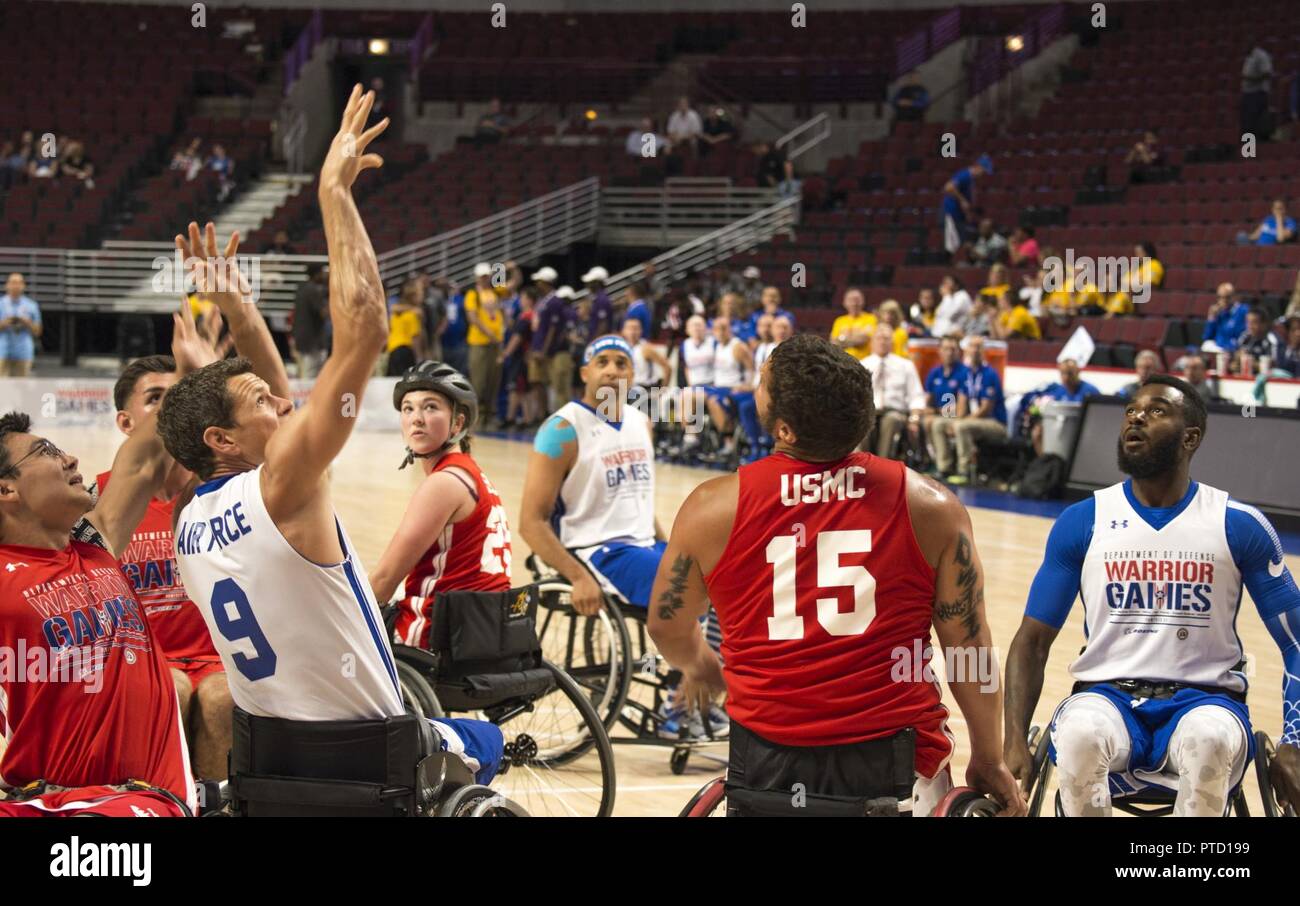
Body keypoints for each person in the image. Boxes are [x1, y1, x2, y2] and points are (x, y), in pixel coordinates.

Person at [157, 86, 502, 785]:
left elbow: (274, 400)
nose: (285, 406)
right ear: (223, 439)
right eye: (263, 403)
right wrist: (333, 193)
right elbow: (367, 327)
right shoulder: (284, 487)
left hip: (274, 760)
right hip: (371, 751)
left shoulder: (190, 519)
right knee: (489, 739)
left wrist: (241, 312)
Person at [646, 333, 1025, 816]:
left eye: (762, 382)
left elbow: (666, 625)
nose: (755, 387)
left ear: (784, 429)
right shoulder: (932, 506)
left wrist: (702, 667)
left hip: (764, 760)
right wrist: (989, 756)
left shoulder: (710, 508)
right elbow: (968, 647)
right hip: (895, 759)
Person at [1004, 375, 1300, 816]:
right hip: (1106, 696)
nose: (1136, 417)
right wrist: (1012, 742)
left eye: (1157, 410)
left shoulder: (1238, 523)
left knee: (1209, 740)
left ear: (1190, 438)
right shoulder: (1083, 521)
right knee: (1080, 734)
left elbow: (1296, 642)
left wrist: (1295, 742)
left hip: (1207, 702)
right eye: (1131, 411)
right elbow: (1031, 641)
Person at [0, 294, 213, 817]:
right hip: (45, 798)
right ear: (6, 490)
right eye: (46, 452)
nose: (70, 456)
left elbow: (142, 459)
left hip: (144, 800)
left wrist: (190, 374)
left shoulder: (94, 542)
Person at [518, 335, 724, 737]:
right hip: (596, 550)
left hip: (642, 544)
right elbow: (531, 522)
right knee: (685, 588)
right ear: (584, 373)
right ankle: (681, 709)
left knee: (726, 574)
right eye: (602, 362)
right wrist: (578, 576)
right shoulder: (560, 430)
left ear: (633, 374)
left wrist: (676, 544)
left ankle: (692, 692)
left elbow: (640, 505)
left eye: (622, 363)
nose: (612, 370)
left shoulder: (639, 420)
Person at [371, 362, 511, 648]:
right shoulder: (471, 474)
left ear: (457, 424)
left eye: (431, 407)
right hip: (486, 629)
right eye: (408, 408)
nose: (416, 418)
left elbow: (385, 578)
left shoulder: (443, 483)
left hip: (440, 635)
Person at [948, 336, 1007, 485]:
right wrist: (954, 419)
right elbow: (961, 402)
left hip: (995, 423)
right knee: (940, 423)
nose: (975, 350)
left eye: (978, 347)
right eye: (972, 346)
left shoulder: (990, 374)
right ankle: (944, 467)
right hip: (974, 420)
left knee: (961, 426)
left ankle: (964, 471)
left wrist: (961, 422)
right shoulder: (966, 373)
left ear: (984, 351)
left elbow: (986, 408)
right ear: (966, 350)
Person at [860, 325, 926, 459]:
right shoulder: (862, 364)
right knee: (862, 423)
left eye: (886, 338)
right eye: (879, 338)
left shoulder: (906, 365)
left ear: (892, 342)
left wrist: (914, 419)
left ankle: (883, 464)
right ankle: (864, 463)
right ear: (872, 342)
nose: (882, 342)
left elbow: (916, 396)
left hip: (896, 412)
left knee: (891, 420)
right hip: (870, 411)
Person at [704, 316, 757, 461]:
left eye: (724, 329)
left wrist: (746, 386)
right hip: (717, 386)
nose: (720, 332)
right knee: (690, 396)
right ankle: (692, 438)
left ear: (730, 329)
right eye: (717, 329)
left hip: (733, 387)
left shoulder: (738, 346)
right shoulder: (716, 345)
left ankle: (728, 442)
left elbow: (751, 369)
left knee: (713, 401)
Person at [1024, 359, 1100, 456]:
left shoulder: (1090, 392)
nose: (1066, 377)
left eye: (1070, 373)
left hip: (1082, 431)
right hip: (1058, 428)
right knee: (1037, 433)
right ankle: (1047, 463)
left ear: (1078, 372)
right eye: (1063, 373)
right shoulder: (1057, 390)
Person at [923, 335, 971, 479]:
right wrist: (924, 411)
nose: (949, 352)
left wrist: (936, 411)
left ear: (959, 352)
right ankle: (930, 460)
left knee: (936, 423)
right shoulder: (934, 372)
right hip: (942, 413)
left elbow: (961, 409)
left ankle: (944, 467)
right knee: (923, 421)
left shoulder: (965, 373)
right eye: (945, 349)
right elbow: (927, 400)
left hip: (958, 415)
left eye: (953, 349)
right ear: (939, 351)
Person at [465, 262, 505, 427]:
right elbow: (473, 318)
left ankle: (489, 416)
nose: (485, 278)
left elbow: (509, 283)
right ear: (476, 277)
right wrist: (490, 334)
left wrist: (505, 268)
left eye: (487, 275)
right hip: (479, 343)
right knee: (478, 382)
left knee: (493, 381)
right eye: (482, 276)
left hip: (495, 344)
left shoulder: (495, 292)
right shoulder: (472, 294)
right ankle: (477, 418)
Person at [942, 154, 992, 258]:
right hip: (951, 213)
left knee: (961, 240)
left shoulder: (971, 180)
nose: (983, 175)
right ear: (978, 167)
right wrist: (962, 200)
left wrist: (968, 212)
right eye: (983, 171)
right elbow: (948, 187)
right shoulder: (965, 175)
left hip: (959, 215)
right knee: (952, 243)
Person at [290, 263, 329, 379]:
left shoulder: (302, 288)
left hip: (302, 339)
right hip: (313, 342)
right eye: (322, 272)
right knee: (312, 375)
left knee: (306, 373)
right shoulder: (314, 290)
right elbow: (324, 313)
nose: (324, 275)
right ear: (316, 274)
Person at [1105, 241, 1164, 318]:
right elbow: (1124, 281)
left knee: (1122, 296)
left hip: (1138, 298)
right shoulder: (1136, 267)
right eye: (1136, 253)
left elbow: (1151, 285)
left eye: (1140, 252)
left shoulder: (1155, 265)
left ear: (1147, 252)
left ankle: (1107, 318)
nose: (1137, 255)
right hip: (1127, 295)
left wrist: (1132, 286)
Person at [0, 272, 42, 377]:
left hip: (23, 352)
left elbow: (38, 332)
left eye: (19, 283)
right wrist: (4, 323)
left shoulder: (31, 305)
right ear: (7, 285)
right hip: (2, 351)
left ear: (23, 285)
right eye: (13, 282)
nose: (16, 286)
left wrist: (27, 323)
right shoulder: (0, 304)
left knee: (21, 389)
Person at [385, 279, 425, 377]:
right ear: (413, 296)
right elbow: (415, 338)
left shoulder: (396, 314)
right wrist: (419, 358)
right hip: (405, 352)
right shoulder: (412, 315)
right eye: (419, 294)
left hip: (393, 352)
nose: (422, 296)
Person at [829, 286, 877, 360]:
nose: (854, 303)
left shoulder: (871, 318)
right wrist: (855, 340)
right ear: (844, 302)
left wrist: (843, 339)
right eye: (851, 300)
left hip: (864, 362)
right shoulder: (839, 320)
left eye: (857, 300)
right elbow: (833, 343)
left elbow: (863, 339)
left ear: (863, 301)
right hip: (843, 362)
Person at [1201, 282, 1250, 354]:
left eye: (1227, 297)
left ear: (1234, 296)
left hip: (1233, 350)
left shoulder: (1243, 311)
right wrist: (1212, 318)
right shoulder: (1218, 313)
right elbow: (1207, 337)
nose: (1223, 300)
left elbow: (1244, 335)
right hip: (1218, 349)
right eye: (1220, 297)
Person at [1241, 39, 1274, 141]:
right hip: (1248, 94)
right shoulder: (1248, 57)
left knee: (1253, 124)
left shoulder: (1261, 55)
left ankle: (1254, 150)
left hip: (1257, 94)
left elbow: (1267, 74)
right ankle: (1248, 151)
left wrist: (1252, 80)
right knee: (1246, 124)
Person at [1235, 306, 1281, 374]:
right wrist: (1236, 361)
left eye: (1254, 322)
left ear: (1264, 324)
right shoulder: (1245, 337)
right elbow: (1236, 356)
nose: (1250, 326)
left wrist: (1250, 363)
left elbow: (1275, 367)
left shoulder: (1272, 340)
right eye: (1248, 322)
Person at [932, 274, 972, 339]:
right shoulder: (950, 297)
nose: (944, 286)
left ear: (956, 285)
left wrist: (946, 296)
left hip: (957, 335)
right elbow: (938, 314)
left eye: (947, 283)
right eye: (944, 283)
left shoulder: (962, 296)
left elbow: (949, 315)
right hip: (941, 335)